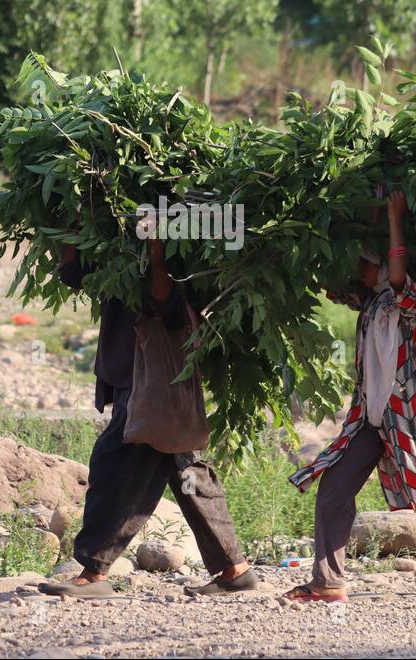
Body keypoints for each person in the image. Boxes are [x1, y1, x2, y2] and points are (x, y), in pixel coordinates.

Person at [285, 190, 416, 602]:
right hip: (369, 418)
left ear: (379, 265)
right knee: (335, 488)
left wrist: (395, 216)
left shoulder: (405, 300)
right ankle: (328, 582)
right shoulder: (372, 303)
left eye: (364, 261)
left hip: (404, 413)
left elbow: (397, 273)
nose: (358, 269)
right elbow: (335, 285)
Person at [39, 220, 257, 599]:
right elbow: (76, 274)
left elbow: (163, 298)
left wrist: (157, 248)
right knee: (185, 472)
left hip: (150, 382)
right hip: (139, 380)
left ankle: (94, 572)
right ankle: (233, 568)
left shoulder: (174, 256)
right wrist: (68, 225)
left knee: (112, 462)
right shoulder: (115, 254)